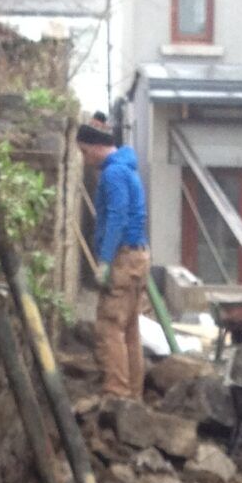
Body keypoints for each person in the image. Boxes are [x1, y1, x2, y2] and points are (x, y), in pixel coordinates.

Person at [78, 117, 150, 402]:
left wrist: (105, 260)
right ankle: (133, 394)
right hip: (137, 255)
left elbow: (117, 217)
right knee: (129, 328)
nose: (84, 159)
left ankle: (116, 395)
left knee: (109, 326)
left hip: (123, 257)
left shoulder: (113, 174)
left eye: (84, 151)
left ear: (96, 147)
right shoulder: (126, 168)